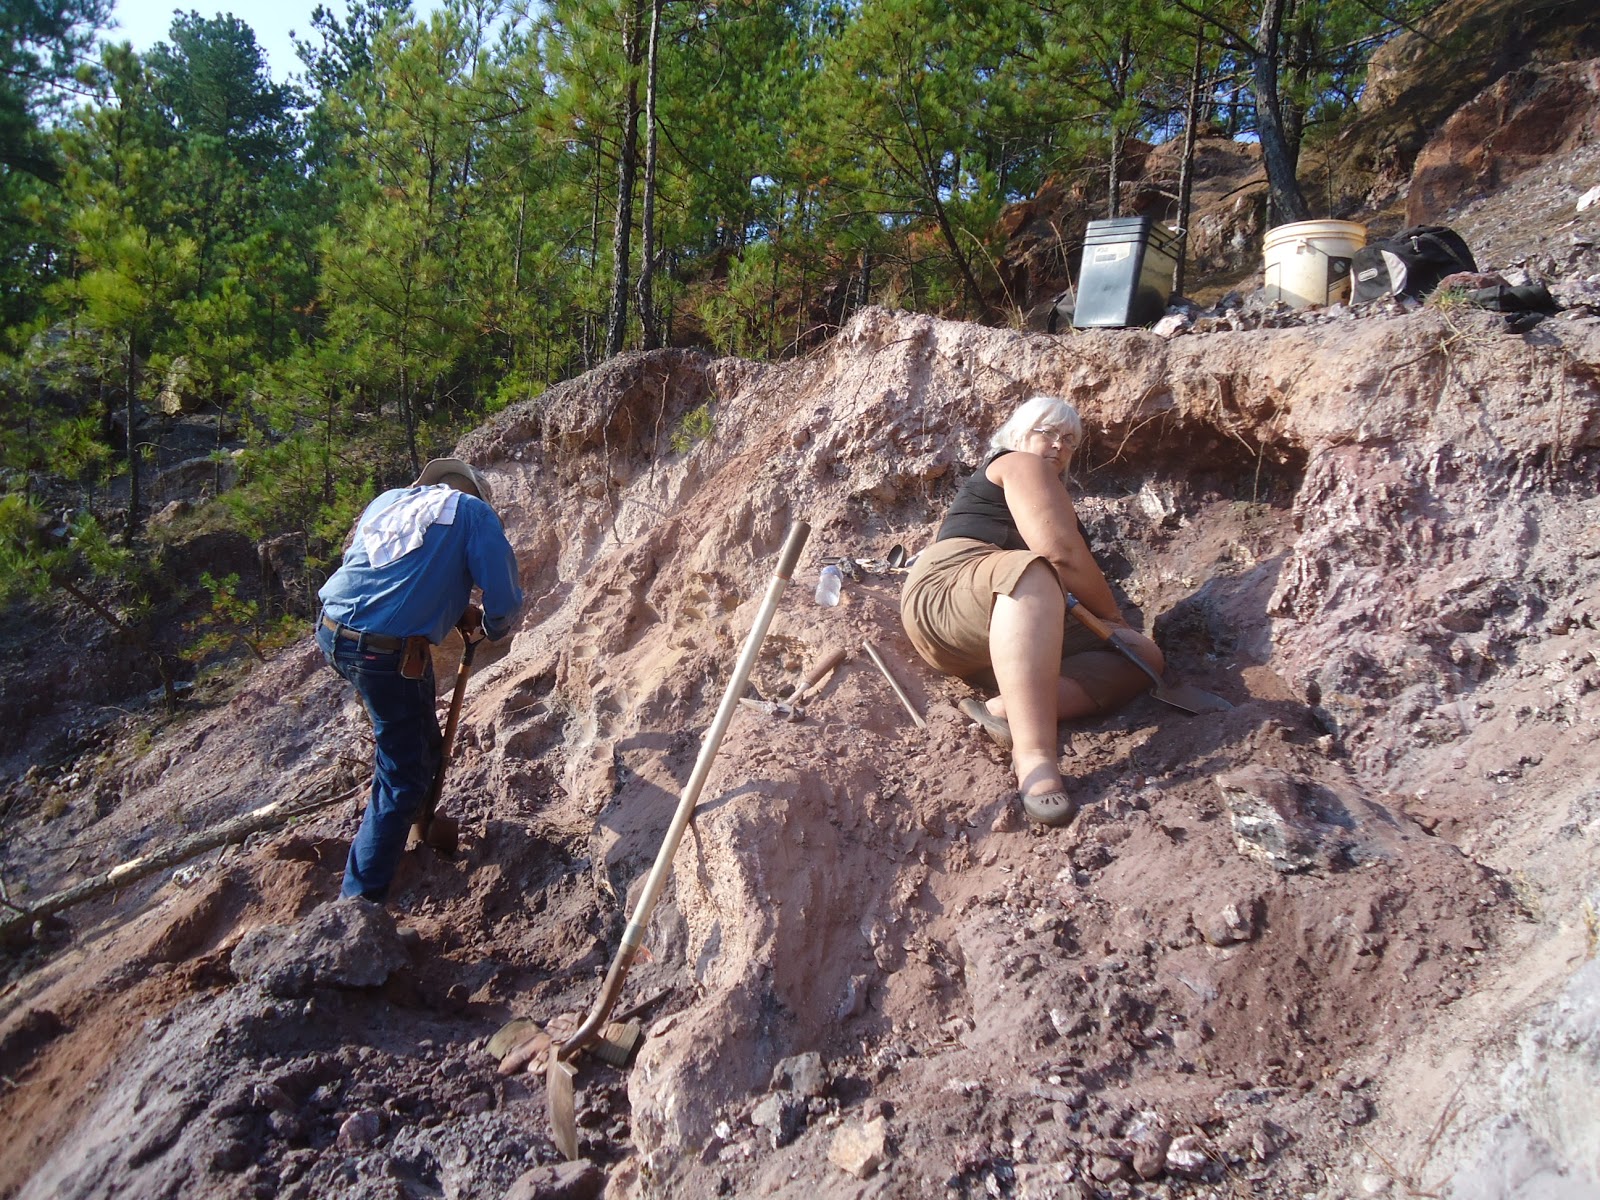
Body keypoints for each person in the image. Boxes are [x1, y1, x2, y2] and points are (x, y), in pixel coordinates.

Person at [900, 396, 1163, 828]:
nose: (1058, 445)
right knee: (1038, 569)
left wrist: (1120, 634)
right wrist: (1113, 617)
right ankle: (1035, 758)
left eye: (1069, 440)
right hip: (946, 596)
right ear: (1018, 433)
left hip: (1003, 630)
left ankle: (1006, 708)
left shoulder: (1052, 493)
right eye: (1048, 432)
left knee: (1141, 656)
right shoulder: (1018, 463)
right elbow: (1061, 556)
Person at [316, 457, 524, 901]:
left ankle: (415, 824)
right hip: (382, 652)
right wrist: (493, 626)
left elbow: (391, 576)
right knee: (402, 771)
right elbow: (503, 597)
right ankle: (358, 904)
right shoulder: (472, 514)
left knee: (414, 734)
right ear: (474, 495)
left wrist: (451, 609)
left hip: (333, 631)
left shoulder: (390, 501)